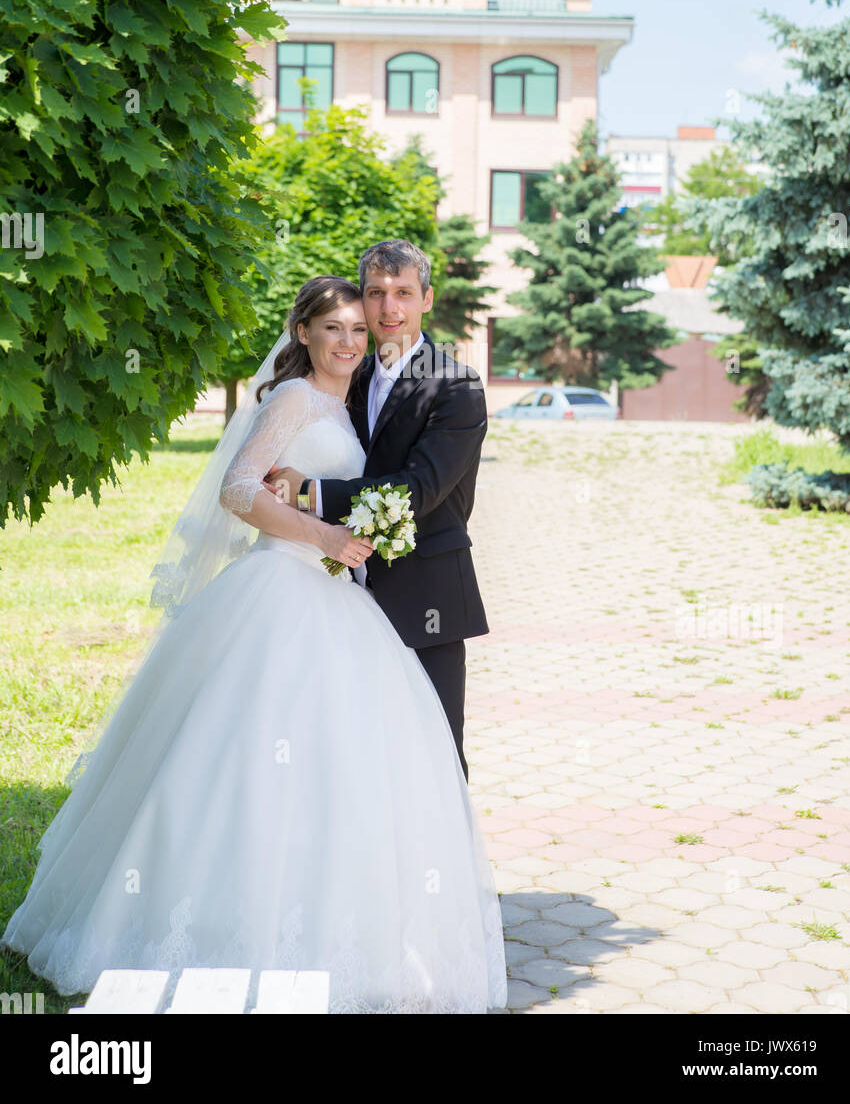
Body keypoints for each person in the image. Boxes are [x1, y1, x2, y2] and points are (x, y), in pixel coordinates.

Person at [0, 275, 507, 1014]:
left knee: (347, 769)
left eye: (356, 331)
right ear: (300, 333)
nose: (347, 341)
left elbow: (394, 482)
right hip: (279, 593)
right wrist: (324, 533)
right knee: (239, 759)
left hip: (340, 599)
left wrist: (335, 528)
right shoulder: (296, 399)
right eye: (331, 328)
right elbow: (238, 491)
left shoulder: (351, 400)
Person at [267, 240, 489, 783]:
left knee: (434, 755)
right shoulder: (349, 375)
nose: (390, 308)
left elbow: (416, 492)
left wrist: (308, 491)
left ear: (427, 299)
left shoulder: (456, 386)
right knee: (355, 757)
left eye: (404, 293)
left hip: (425, 598)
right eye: (376, 293)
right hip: (340, 597)